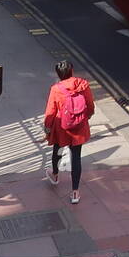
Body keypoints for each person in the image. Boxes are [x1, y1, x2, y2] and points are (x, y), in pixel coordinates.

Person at [43, 60, 95, 205]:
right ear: (72, 71)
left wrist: (47, 128)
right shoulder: (83, 84)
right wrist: (87, 116)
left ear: (58, 74)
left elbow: (51, 111)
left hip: (62, 126)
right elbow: (90, 104)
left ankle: (55, 175)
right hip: (79, 125)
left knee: (57, 150)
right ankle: (75, 192)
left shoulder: (56, 89)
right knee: (76, 157)